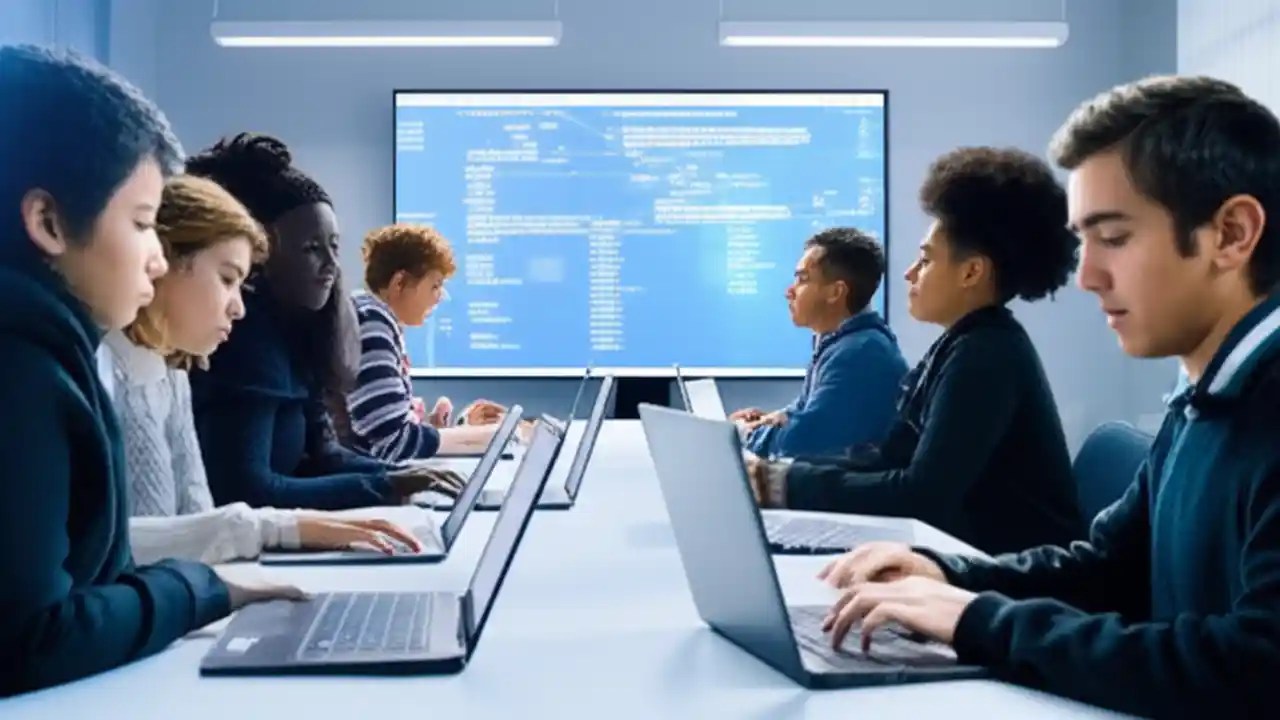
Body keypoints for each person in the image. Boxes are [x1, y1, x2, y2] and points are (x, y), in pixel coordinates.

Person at [816, 76, 1280, 719]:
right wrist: (950, 577)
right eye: (1084, 241)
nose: (1086, 276)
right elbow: (1111, 566)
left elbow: (1252, 670)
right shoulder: (1200, 398)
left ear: (1231, 234)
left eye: (1114, 238)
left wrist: (980, 621)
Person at [0, 44, 300, 697]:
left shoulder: (51, 352)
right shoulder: (19, 368)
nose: (157, 262)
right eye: (142, 225)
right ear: (48, 222)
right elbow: (29, 638)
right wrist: (201, 588)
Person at [745, 147, 1085, 555]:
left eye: (925, 260)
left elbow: (920, 495)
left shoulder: (986, 357)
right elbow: (889, 459)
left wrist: (783, 484)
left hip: (1003, 575)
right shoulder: (962, 343)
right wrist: (779, 476)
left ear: (971, 272)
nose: (909, 273)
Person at [101, 174, 427, 565]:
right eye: (227, 279)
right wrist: (288, 529)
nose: (238, 308)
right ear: (164, 261)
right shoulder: (101, 372)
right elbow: (110, 554)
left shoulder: (171, 372)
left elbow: (195, 520)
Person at [184, 132, 462, 511]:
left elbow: (324, 456)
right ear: (258, 254)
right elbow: (248, 491)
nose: (331, 265)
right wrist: (385, 487)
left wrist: (403, 477)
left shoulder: (294, 331)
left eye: (334, 246)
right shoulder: (244, 344)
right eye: (311, 249)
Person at [731, 227, 907, 458]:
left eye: (802, 279)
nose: (789, 291)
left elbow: (798, 443)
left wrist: (742, 433)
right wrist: (767, 422)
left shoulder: (859, 354)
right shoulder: (842, 343)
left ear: (836, 292)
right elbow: (802, 414)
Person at [347, 222, 510, 462]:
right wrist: (485, 437)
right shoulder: (371, 325)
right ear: (399, 283)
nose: (439, 297)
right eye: (435, 286)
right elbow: (392, 445)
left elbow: (383, 433)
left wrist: (439, 429)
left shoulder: (370, 317)